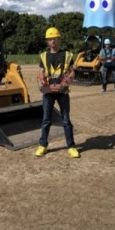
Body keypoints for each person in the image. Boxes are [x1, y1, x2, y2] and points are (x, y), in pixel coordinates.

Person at [35, 27, 80, 158]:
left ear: (58, 39)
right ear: (47, 41)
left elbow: (72, 71)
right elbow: (41, 71)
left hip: (62, 91)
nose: (52, 41)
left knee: (66, 120)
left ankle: (71, 147)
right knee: (46, 120)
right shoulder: (43, 56)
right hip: (48, 91)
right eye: (50, 39)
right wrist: (42, 79)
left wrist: (68, 80)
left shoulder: (67, 55)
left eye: (54, 38)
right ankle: (42, 145)